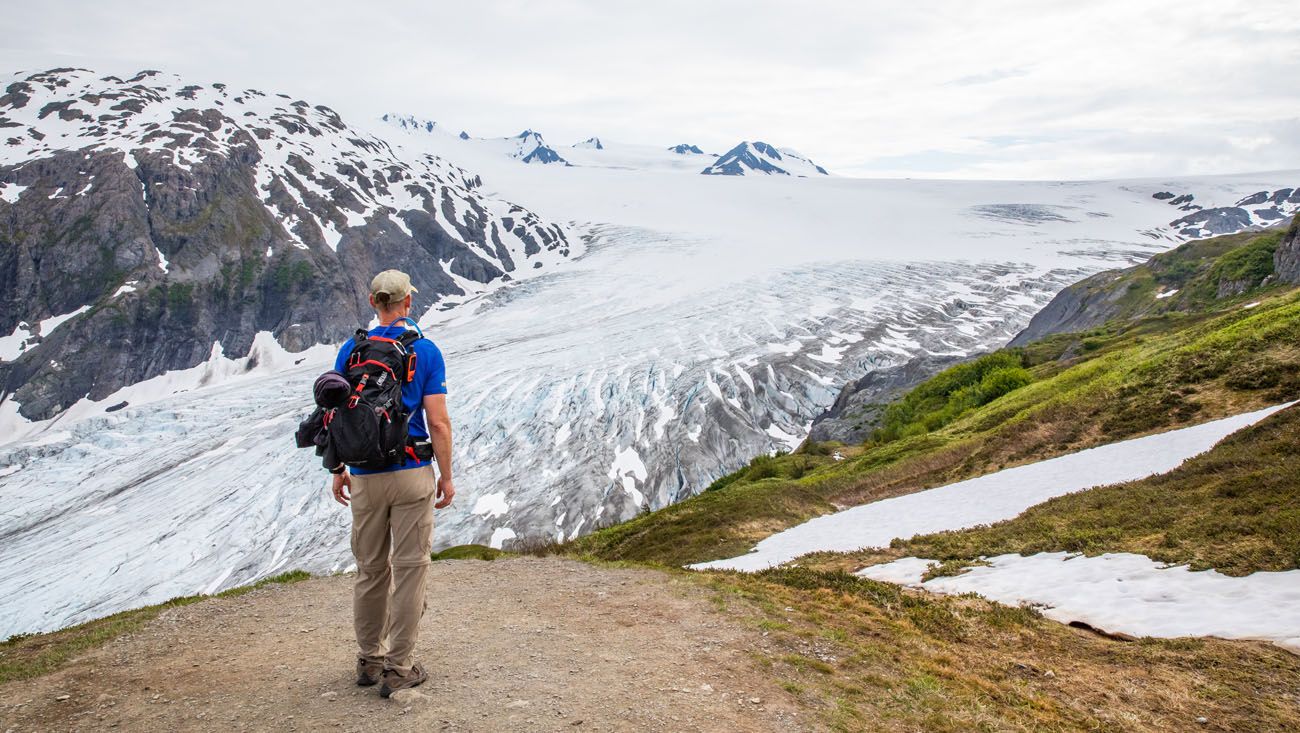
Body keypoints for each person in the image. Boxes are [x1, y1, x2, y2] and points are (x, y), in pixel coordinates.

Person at [329, 269, 455, 698]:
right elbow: (437, 422)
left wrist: (337, 469)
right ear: (408, 303)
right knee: (410, 569)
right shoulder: (426, 352)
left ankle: (369, 659)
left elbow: (334, 412)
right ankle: (400, 667)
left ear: (373, 302)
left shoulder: (351, 349)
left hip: (364, 475)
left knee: (370, 570)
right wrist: (447, 476)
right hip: (411, 472)